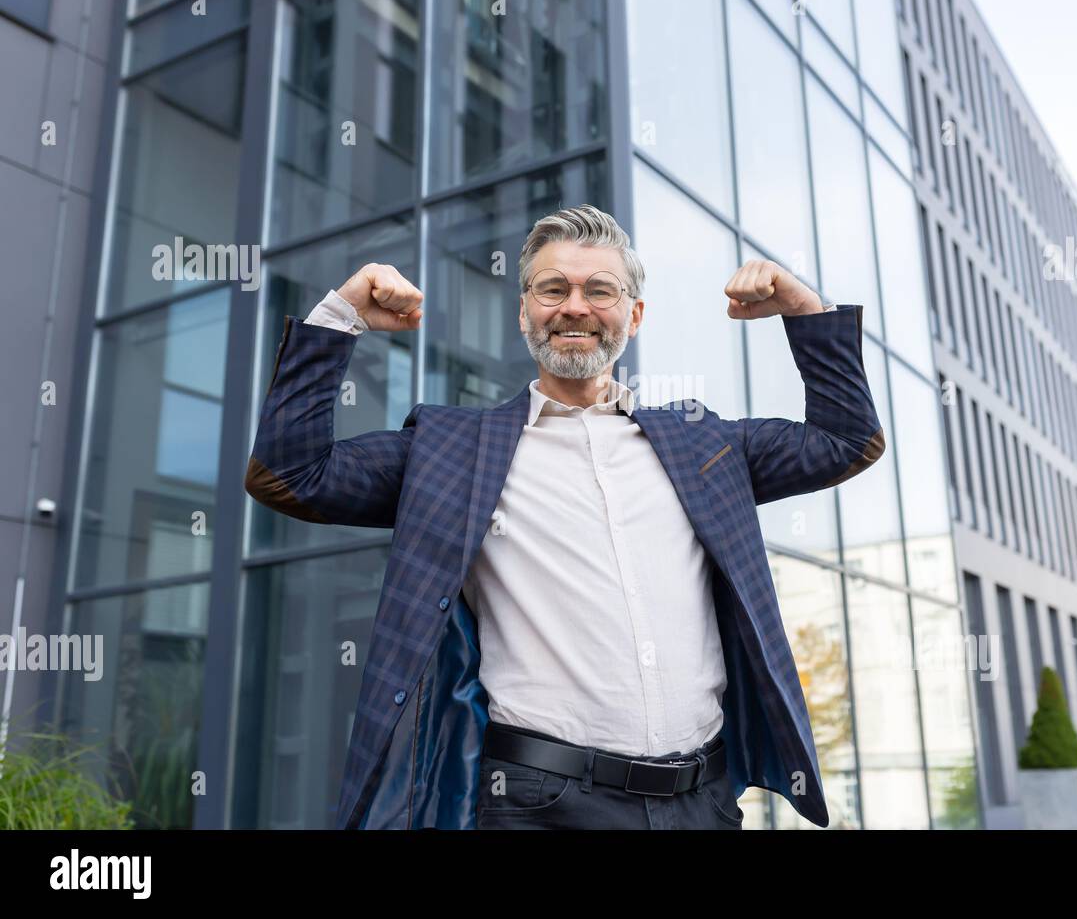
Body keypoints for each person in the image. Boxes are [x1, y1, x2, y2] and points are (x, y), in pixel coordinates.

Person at [244, 204, 885, 829]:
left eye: (599, 290)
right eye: (553, 288)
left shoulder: (705, 445)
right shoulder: (451, 451)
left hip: (703, 803)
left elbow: (845, 441)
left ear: (633, 315)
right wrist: (341, 318)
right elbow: (291, 476)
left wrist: (804, 310)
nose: (574, 306)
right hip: (538, 803)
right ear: (525, 312)